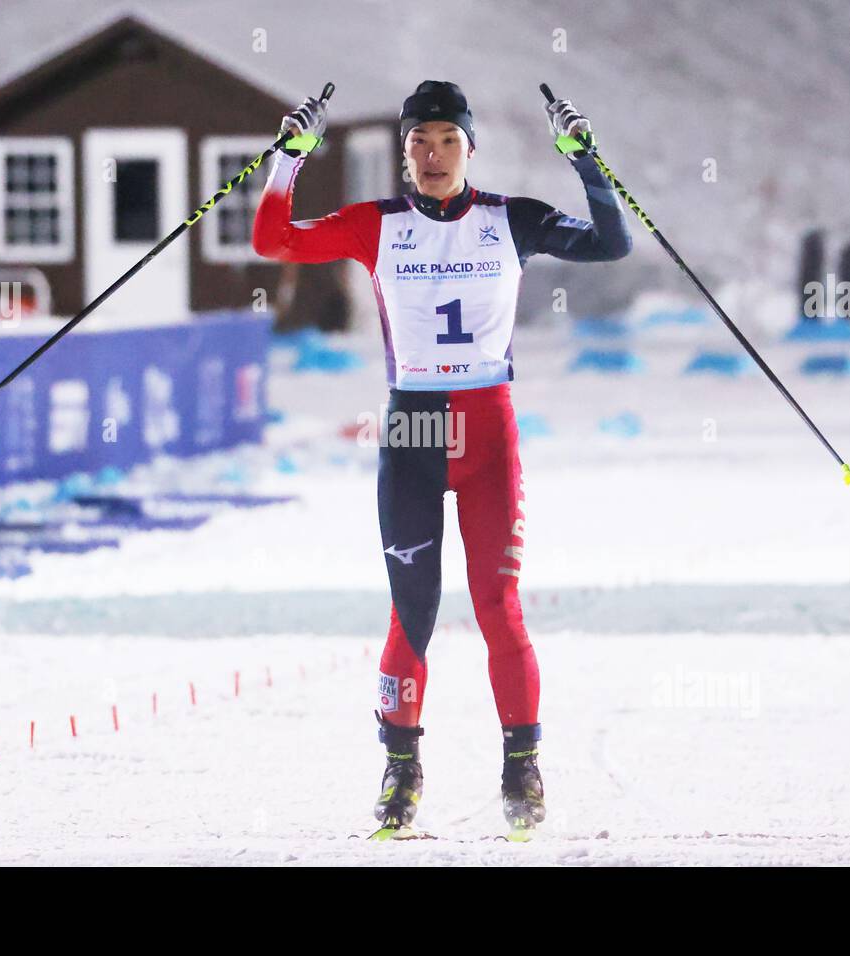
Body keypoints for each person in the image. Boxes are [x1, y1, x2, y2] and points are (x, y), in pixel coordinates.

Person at [252, 80, 631, 835]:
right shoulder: (376, 224)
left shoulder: (509, 219)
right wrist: (287, 161)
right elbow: (274, 241)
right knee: (414, 612)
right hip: (416, 431)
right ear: (403, 153)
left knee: (498, 608)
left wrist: (586, 159)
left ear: (469, 148)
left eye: (447, 141)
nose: (432, 156)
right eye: (419, 143)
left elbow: (610, 242)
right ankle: (400, 772)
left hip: (488, 429)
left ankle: (522, 766)